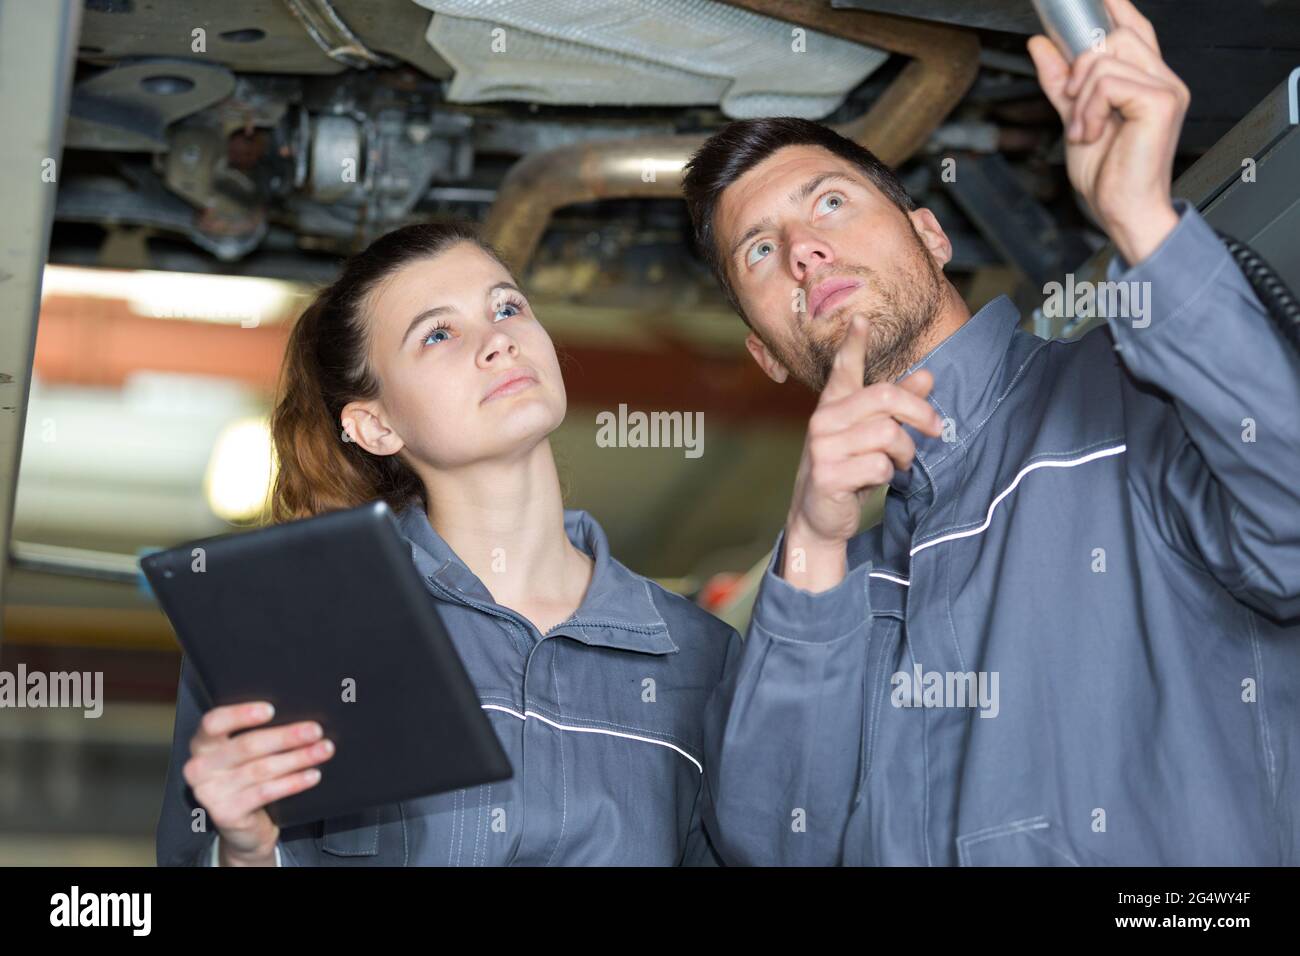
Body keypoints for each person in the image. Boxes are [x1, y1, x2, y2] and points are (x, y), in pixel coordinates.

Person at [685, 0, 1300, 865]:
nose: (804, 250)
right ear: (765, 355)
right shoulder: (827, 595)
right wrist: (815, 550)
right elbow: (773, 842)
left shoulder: (1131, 398)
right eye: (758, 250)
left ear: (931, 233)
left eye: (829, 200)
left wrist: (1142, 222)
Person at [155, 220, 738, 866]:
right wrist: (243, 852)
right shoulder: (293, 634)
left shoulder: (702, 661)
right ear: (375, 425)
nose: (498, 342)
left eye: (507, 306)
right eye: (439, 333)